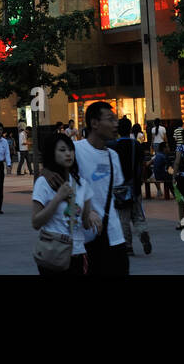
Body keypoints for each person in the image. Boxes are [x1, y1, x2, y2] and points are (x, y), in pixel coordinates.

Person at [74, 101, 128, 276]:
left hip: (115, 237)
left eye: (116, 119)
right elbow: (62, 189)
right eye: (110, 119)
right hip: (86, 240)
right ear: (94, 123)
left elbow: (116, 194)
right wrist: (85, 211)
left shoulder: (114, 157)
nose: (116, 124)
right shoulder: (75, 151)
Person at [32, 131, 88, 276]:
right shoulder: (43, 183)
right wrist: (58, 198)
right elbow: (36, 222)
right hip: (54, 253)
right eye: (62, 150)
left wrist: (92, 215)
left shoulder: (81, 183)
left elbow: (86, 223)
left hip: (78, 253)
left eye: (70, 150)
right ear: (52, 154)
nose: (68, 154)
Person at [111, 117, 151, 256]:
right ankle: (143, 232)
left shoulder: (114, 146)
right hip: (135, 186)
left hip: (120, 189)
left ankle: (128, 246)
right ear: (130, 130)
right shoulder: (137, 145)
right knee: (138, 215)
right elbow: (142, 165)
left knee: (124, 218)